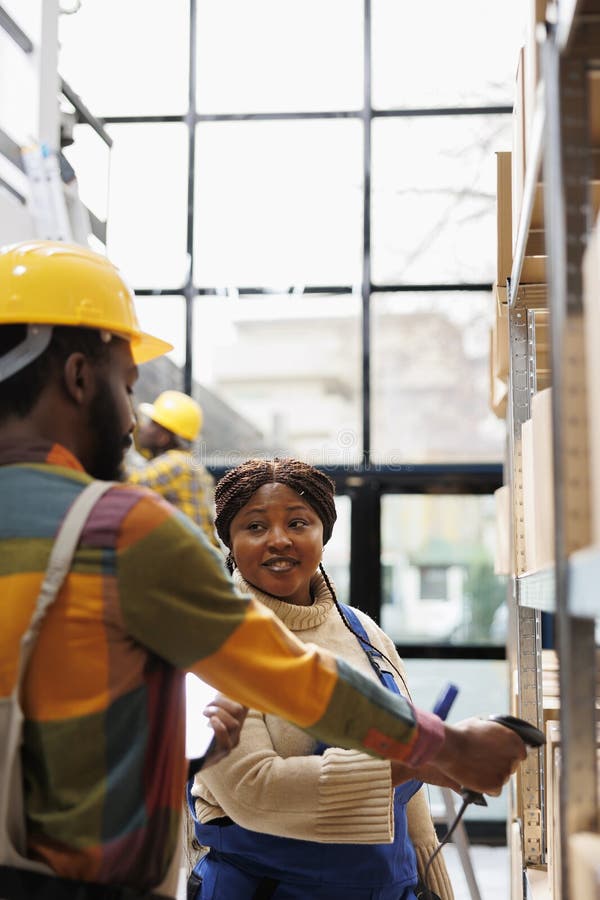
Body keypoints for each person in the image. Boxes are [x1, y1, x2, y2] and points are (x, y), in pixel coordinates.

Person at [0, 240, 526, 899]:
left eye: (299, 523)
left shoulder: (361, 631)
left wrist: (179, 758)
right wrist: (443, 747)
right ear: (80, 377)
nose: (133, 418)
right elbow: (294, 681)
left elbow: (56, 731)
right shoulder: (119, 529)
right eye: (127, 386)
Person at [187, 458, 457, 900]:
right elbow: (252, 790)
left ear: (323, 534)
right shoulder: (211, 641)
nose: (279, 540)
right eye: (255, 527)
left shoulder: (365, 634)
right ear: (230, 543)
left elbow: (411, 799)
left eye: (298, 522)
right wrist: (410, 763)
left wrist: (435, 884)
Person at [128, 390, 221, 550]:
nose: (143, 427)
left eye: (151, 423)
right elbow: (140, 447)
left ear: (162, 437)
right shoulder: (186, 462)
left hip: (192, 564)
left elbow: (127, 484)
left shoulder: (176, 463)